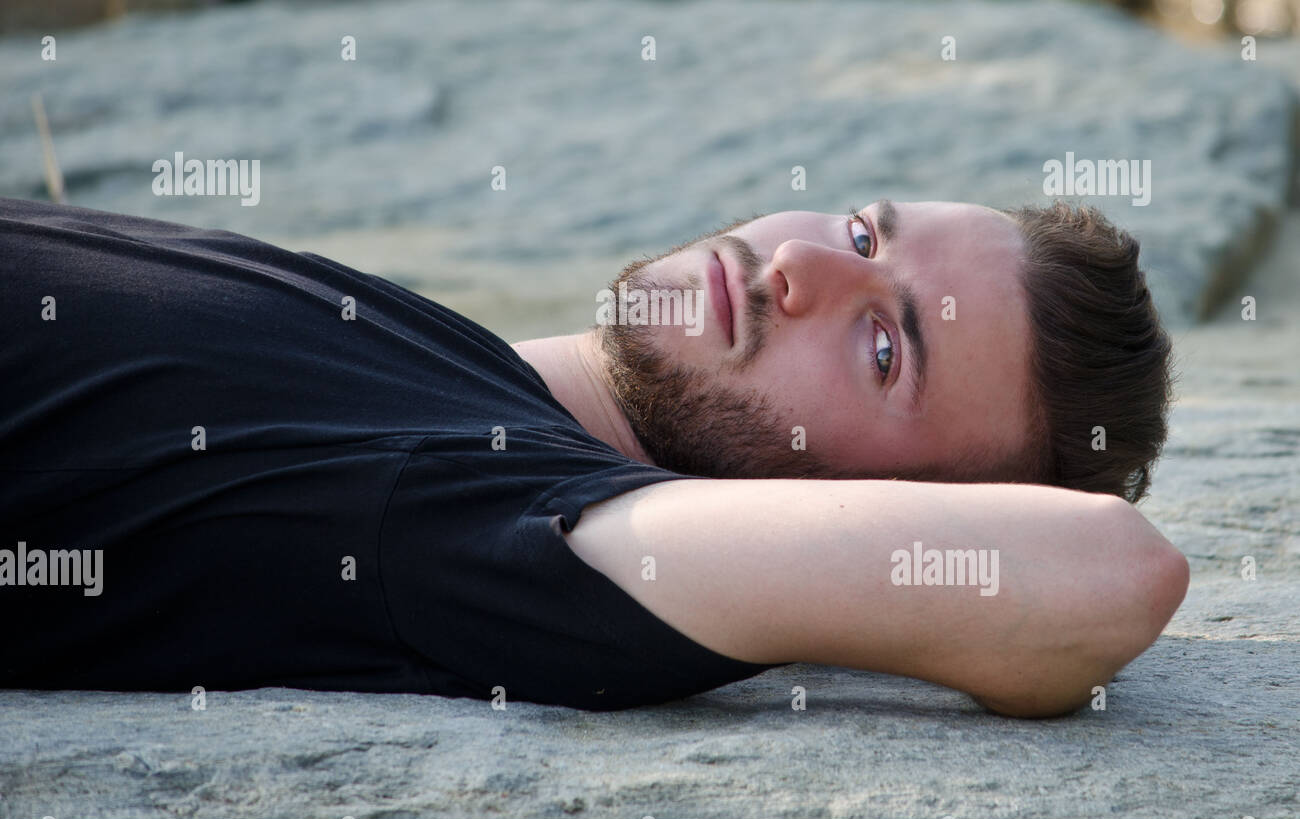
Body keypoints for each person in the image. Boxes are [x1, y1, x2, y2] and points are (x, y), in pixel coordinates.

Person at [0, 196, 1187, 718]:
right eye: (864, 231)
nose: (800, 268)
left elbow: (1105, 576)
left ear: (870, 505)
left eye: (881, 346)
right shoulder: (450, 363)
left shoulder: (497, 521)